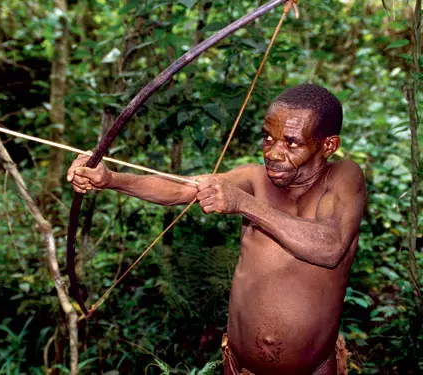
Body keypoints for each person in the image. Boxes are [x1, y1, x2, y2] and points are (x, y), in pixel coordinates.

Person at [67, 84, 365, 375]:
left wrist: (244, 204)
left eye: (291, 143)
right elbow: (183, 189)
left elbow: (330, 247)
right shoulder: (255, 178)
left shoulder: (342, 177)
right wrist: (110, 179)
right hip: (239, 367)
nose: (273, 153)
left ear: (328, 146)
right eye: (267, 138)